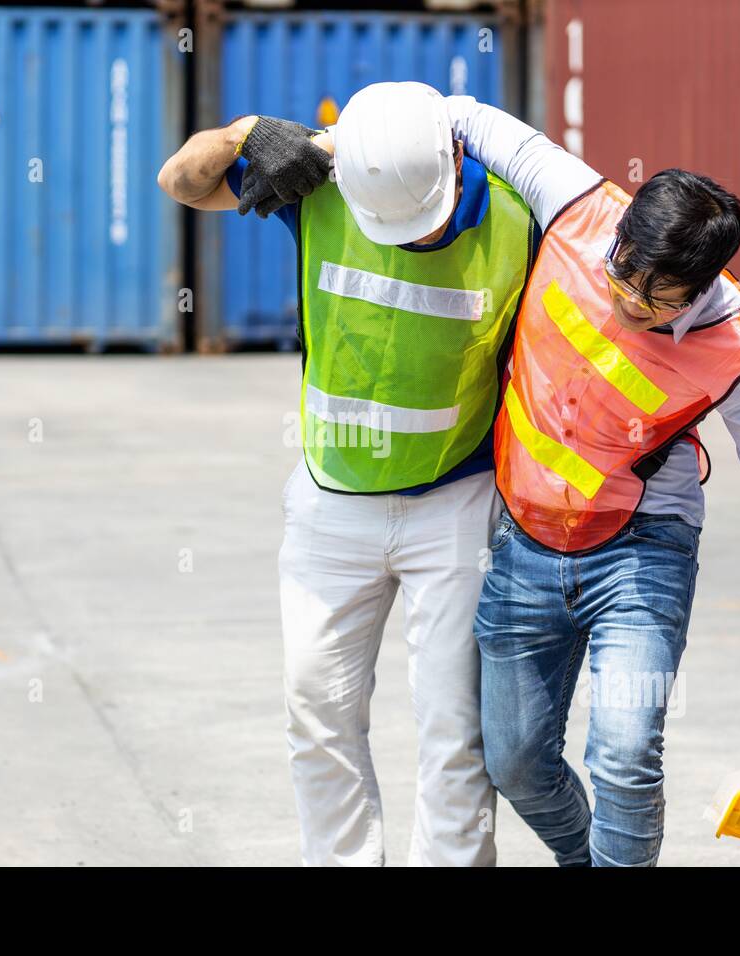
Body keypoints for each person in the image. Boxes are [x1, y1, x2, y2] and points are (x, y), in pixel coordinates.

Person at [413, 97, 740, 866]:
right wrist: (325, 145)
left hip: (641, 552)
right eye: (624, 272)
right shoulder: (573, 201)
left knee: (625, 757)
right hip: (522, 541)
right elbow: (460, 115)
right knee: (513, 762)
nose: (628, 299)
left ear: (703, 282)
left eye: (657, 295)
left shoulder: (736, 352)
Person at [157, 82, 539, 866]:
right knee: (315, 713)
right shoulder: (321, 186)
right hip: (333, 500)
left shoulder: (517, 216)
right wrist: (242, 132)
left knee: (454, 729)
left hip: (455, 501)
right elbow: (180, 182)